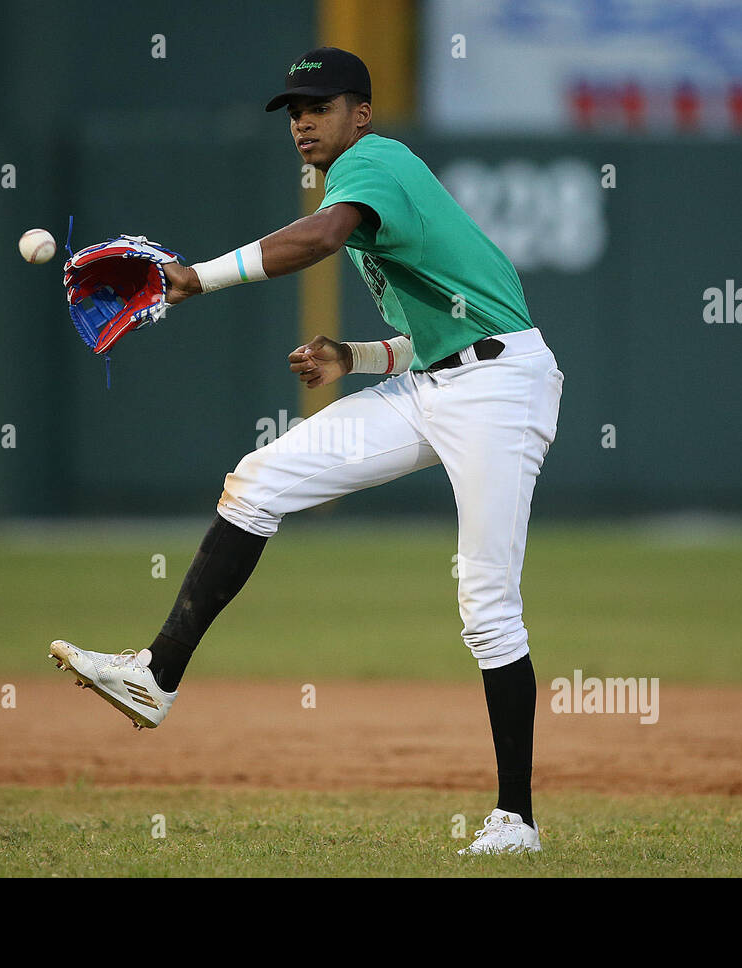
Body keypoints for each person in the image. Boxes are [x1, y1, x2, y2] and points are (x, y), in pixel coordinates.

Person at [49, 46, 564, 855]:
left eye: (319, 106)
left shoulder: (378, 163)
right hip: (441, 384)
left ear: (361, 113)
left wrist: (195, 278)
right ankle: (157, 675)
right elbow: (437, 335)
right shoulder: (360, 190)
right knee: (259, 481)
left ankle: (516, 820)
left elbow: (319, 240)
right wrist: (354, 359)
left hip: (503, 391)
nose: (302, 122)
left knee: (487, 604)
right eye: (293, 110)